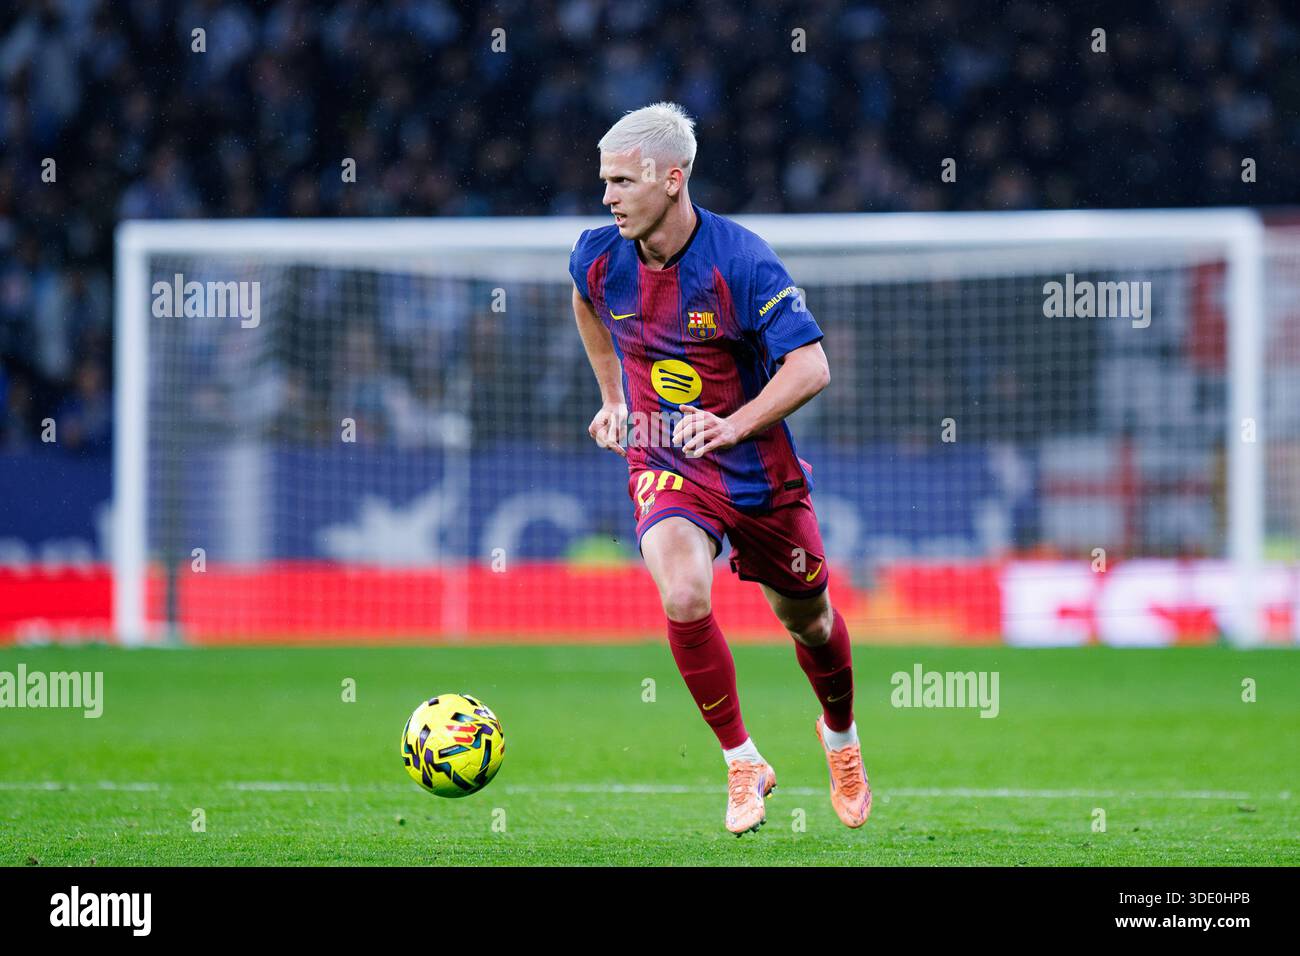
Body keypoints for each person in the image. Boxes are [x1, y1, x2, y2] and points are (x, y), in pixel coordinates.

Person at [569, 102, 869, 835]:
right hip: (665, 458)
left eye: (621, 182)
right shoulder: (597, 256)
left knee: (811, 619)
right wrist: (611, 397)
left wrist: (732, 425)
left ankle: (841, 739)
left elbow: (812, 365)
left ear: (672, 179)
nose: (608, 197)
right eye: (603, 181)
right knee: (682, 595)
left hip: (759, 472)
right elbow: (583, 303)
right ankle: (742, 762)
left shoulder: (740, 260)